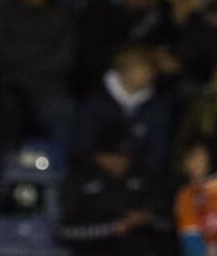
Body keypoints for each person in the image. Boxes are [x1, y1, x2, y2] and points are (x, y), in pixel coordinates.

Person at [59, 119, 169, 256]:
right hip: (92, 254)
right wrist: (112, 227)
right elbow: (65, 231)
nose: (121, 162)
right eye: (114, 156)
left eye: (125, 156)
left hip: (136, 253)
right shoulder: (80, 180)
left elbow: (166, 223)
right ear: (99, 155)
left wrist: (145, 219)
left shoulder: (142, 178)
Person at [0, 0, 77, 141]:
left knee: (66, 111)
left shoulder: (62, 15)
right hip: (12, 92)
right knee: (3, 111)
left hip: (50, 93)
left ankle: (60, 168)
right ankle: (6, 168)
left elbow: (64, 61)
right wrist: (43, 49)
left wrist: (24, 59)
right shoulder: (3, 15)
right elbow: (1, 55)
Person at [73, 46, 174, 182]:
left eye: (151, 69)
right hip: (93, 176)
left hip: (139, 179)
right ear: (125, 69)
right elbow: (80, 144)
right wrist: (102, 159)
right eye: (143, 68)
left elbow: (158, 153)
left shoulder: (156, 107)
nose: (149, 74)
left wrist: (131, 164)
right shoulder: (97, 101)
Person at [77, 0, 177, 93]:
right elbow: (92, 54)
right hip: (106, 78)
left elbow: (171, 43)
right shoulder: (100, 8)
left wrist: (165, 59)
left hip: (152, 79)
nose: (144, 2)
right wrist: (138, 59)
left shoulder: (161, 9)